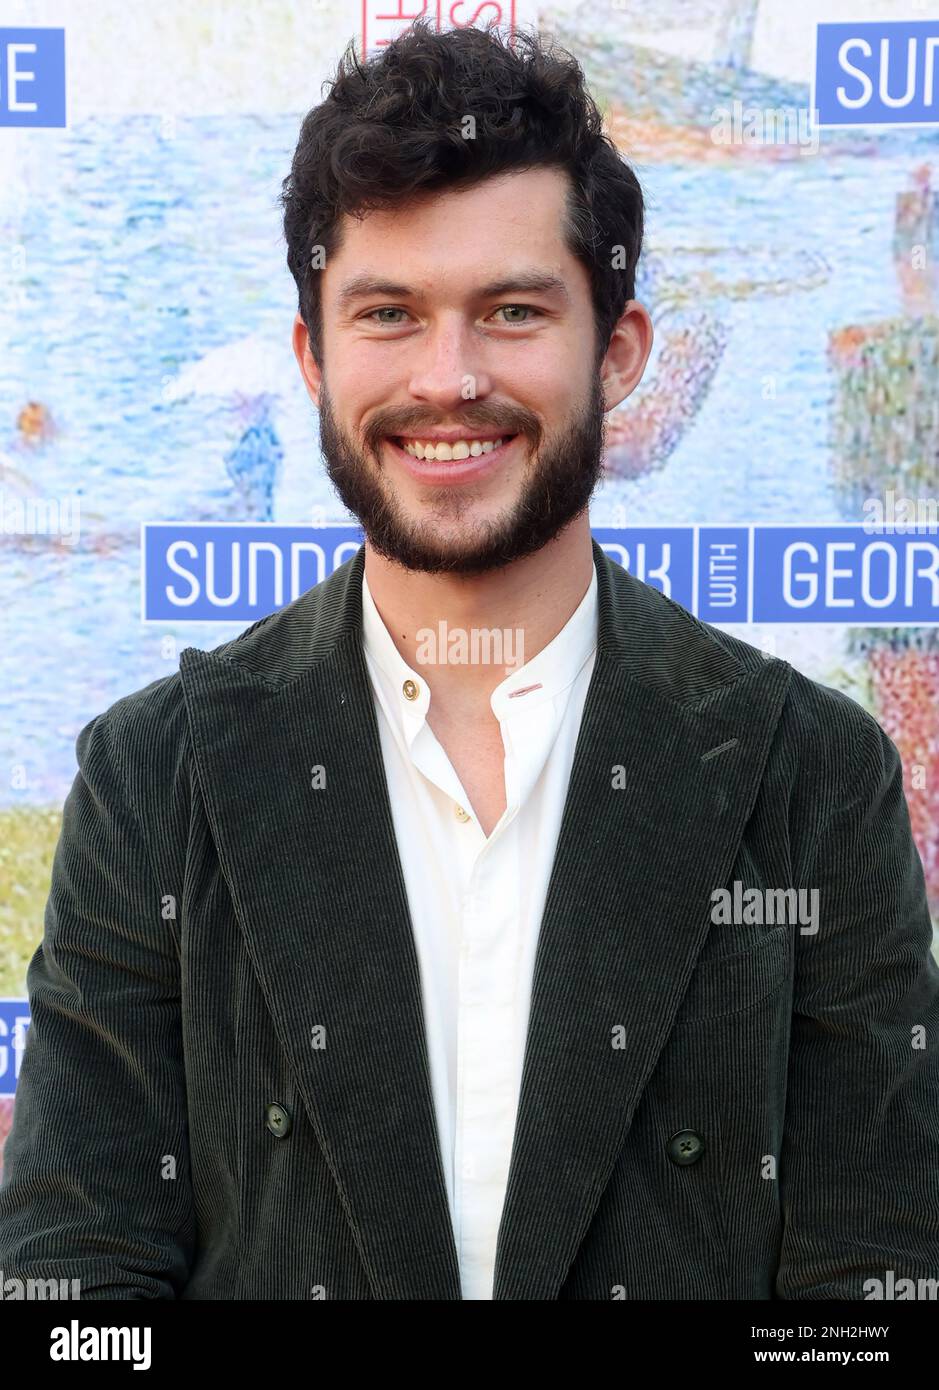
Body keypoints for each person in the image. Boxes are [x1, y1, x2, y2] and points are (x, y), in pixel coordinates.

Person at [1, 20, 937, 1302]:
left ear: (617, 352)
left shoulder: (810, 779)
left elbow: (875, 1287)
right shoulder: (155, 779)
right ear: (313, 359)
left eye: (510, 312)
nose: (449, 379)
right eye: (389, 314)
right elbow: (73, 1286)